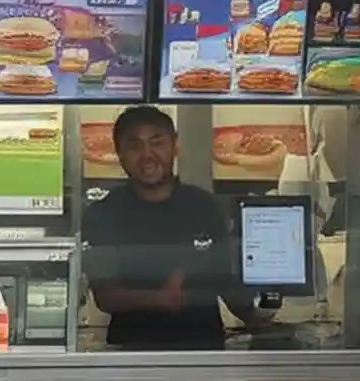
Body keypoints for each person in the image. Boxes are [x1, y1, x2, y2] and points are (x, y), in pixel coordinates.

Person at [82, 105, 260, 350]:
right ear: (119, 153)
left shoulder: (204, 206)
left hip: (204, 352)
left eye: (157, 142)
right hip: (131, 354)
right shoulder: (103, 214)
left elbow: (225, 282)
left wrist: (261, 321)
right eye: (134, 145)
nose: (147, 154)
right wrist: (161, 300)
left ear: (175, 146)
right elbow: (106, 296)